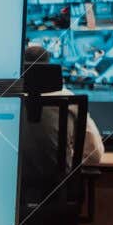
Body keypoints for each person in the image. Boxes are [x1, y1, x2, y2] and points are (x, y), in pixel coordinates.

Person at [20, 42, 104, 172]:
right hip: (60, 187)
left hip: (14, 189)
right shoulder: (68, 99)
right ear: (49, 67)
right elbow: (94, 155)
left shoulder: (9, 100)